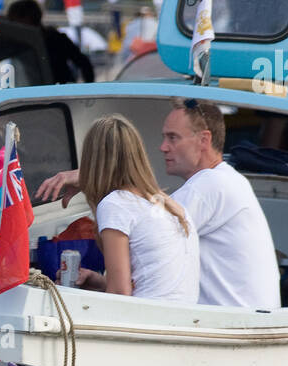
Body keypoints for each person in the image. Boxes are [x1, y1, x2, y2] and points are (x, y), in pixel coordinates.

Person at [36, 115, 198, 302]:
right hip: (180, 320)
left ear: (91, 160)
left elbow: (120, 295)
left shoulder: (116, 204)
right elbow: (154, 286)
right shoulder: (172, 206)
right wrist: (99, 282)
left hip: (149, 324)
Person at [160, 98, 280, 309]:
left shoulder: (209, 184)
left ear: (204, 140)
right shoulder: (227, 179)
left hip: (233, 326)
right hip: (247, 321)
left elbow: (143, 240)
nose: (163, 147)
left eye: (173, 138)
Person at [6, 0, 93, 84]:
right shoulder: (19, 44)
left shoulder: (55, 39)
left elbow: (83, 63)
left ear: (28, 18)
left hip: (58, 92)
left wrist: (88, 90)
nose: (14, 26)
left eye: (14, 21)